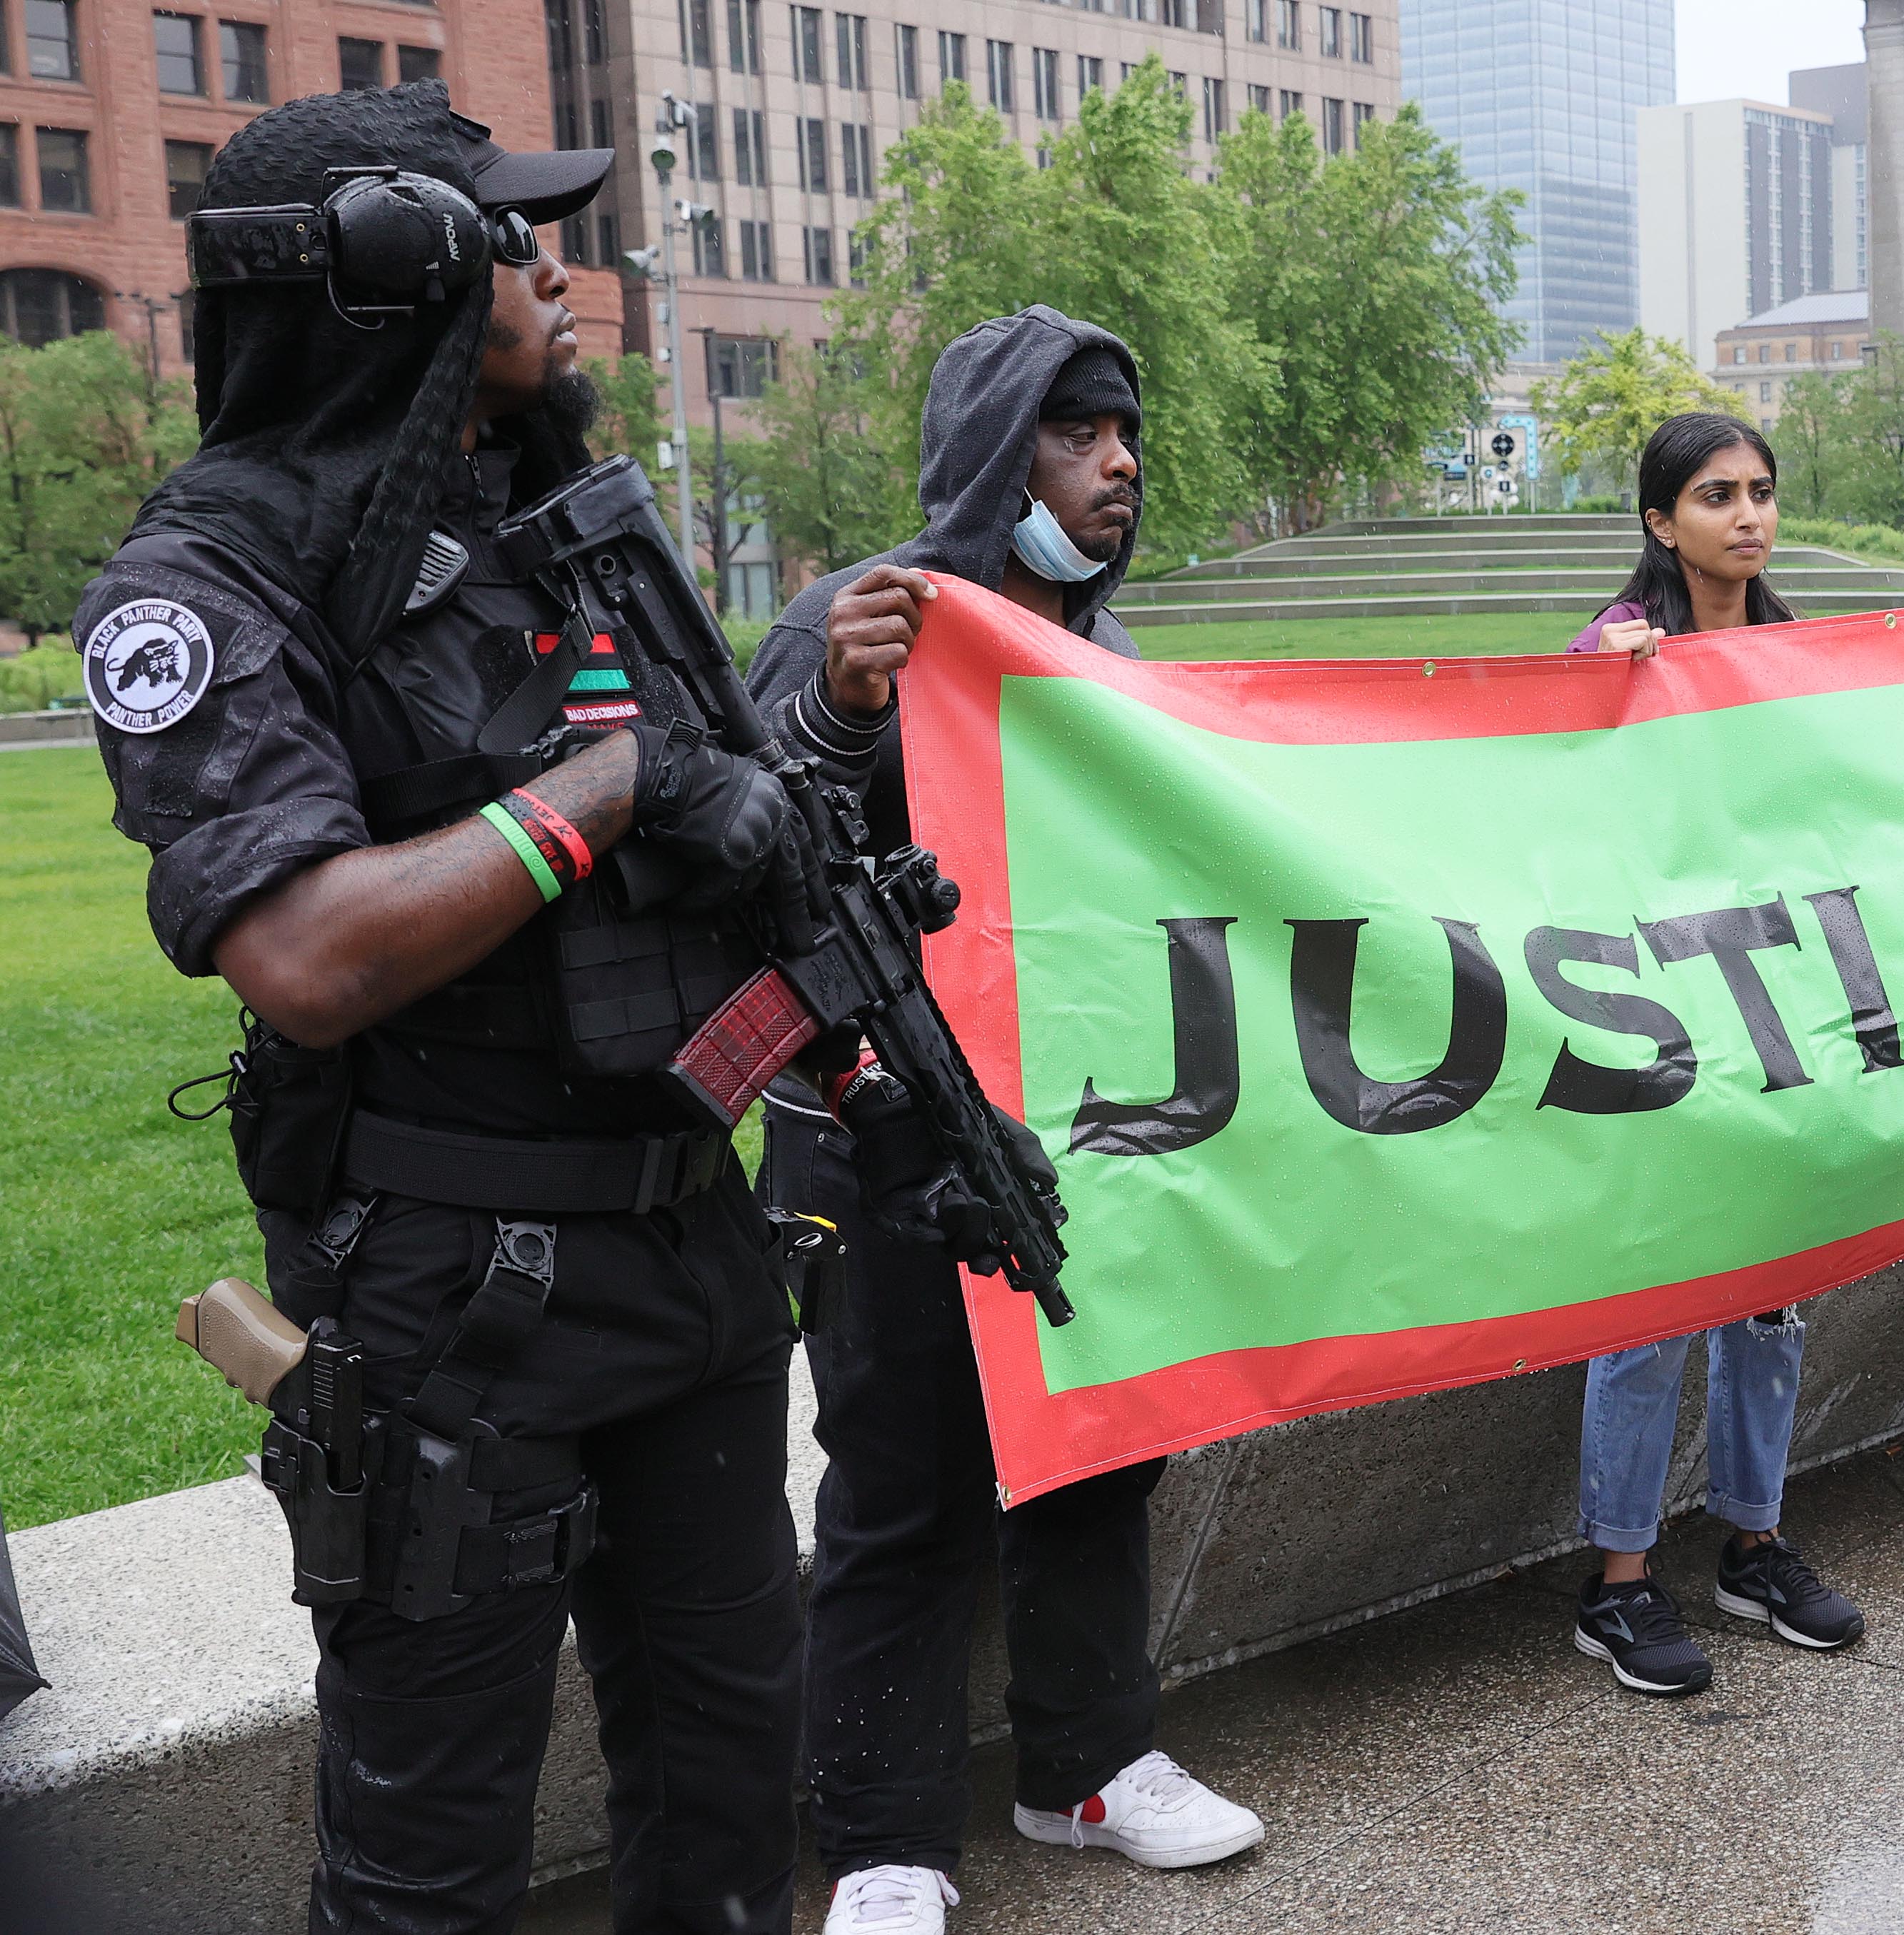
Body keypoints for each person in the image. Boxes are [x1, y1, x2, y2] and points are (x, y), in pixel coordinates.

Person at [79, 84, 806, 1929]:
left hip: (688, 1244)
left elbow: (720, 807)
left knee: (732, 1774)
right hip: (453, 1300)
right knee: (431, 1853)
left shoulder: (568, 517)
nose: (558, 272)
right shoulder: (200, 579)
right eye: (509, 236)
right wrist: (611, 791)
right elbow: (311, 956)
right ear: (395, 278)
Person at [744, 310, 1266, 1934]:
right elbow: (745, 841)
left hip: (1090, 1131)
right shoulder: (864, 626)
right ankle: (885, 1839)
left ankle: (1092, 1763)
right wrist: (840, 712)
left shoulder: (1108, 659)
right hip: (876, 1137)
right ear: (993, 453)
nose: (1119, 463)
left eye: (1126, 433)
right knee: (901, 1480)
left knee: (1106, 1450)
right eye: (1077, 431)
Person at [1562, 411, 1868, 1698]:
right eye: (1712, 496)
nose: (1745, 516)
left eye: (1760, 492)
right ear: (1657, 520)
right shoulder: (1607, 654)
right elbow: (1552, 817)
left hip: (1778, 1009)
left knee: (1772, 1294)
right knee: (1650, 1304)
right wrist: (1602, 698)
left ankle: (1754, 1538)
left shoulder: (1795, 655)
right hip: (1653, 1018)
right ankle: (1617, 1584)